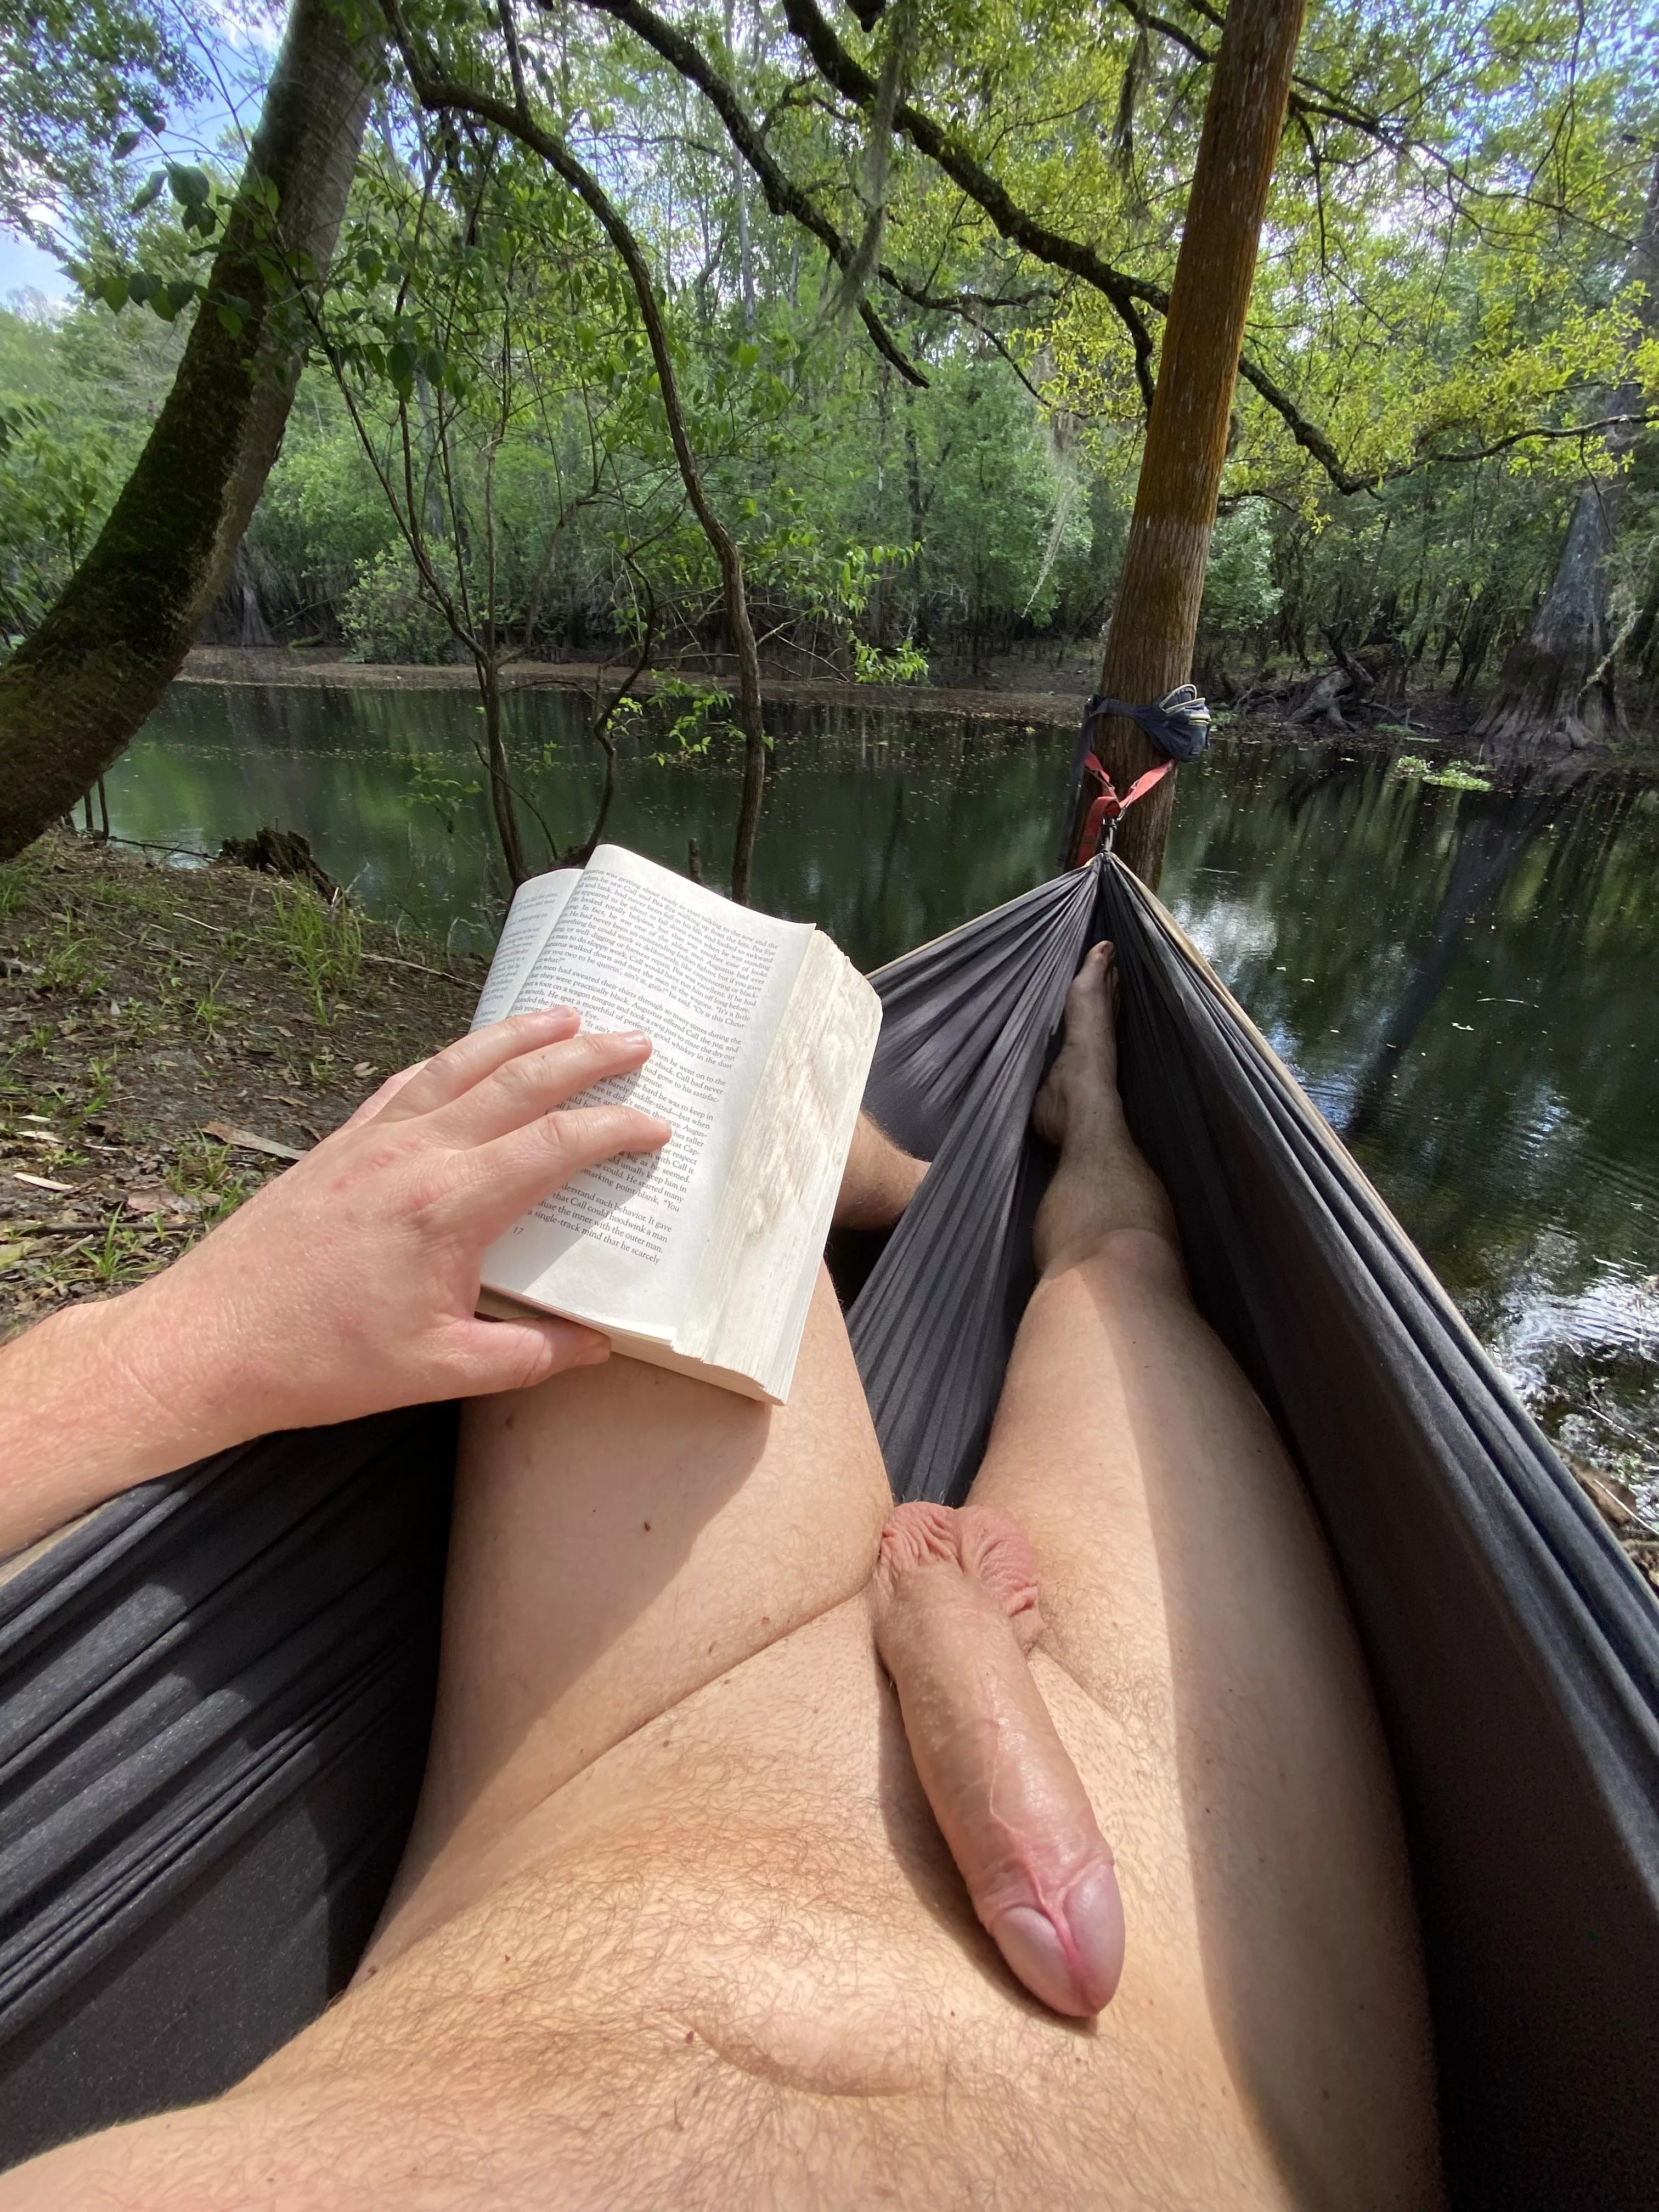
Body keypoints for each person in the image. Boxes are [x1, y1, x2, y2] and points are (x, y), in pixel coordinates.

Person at [0, 946, 1444, 2209]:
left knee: (643, 1012)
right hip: (1154, 1888)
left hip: (624, 1760)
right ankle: (1070, 1150)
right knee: (1120, 1270)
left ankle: (920, 1194)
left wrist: (159, 1349)